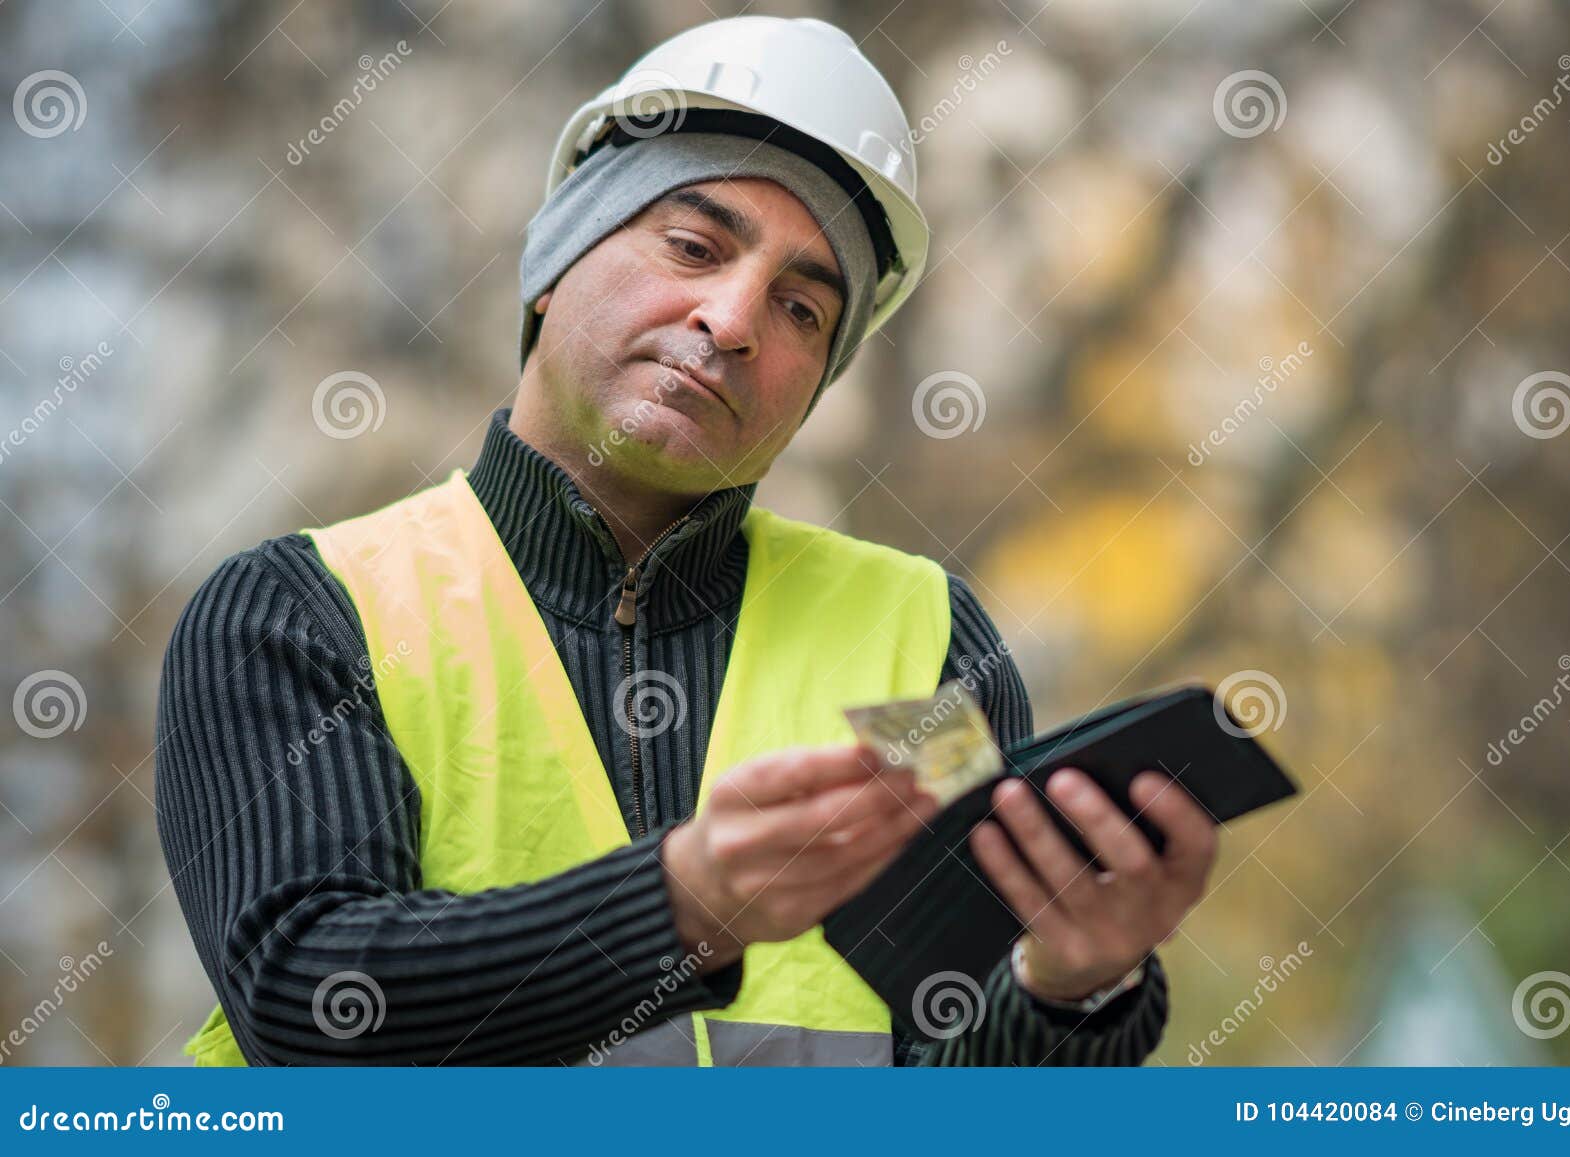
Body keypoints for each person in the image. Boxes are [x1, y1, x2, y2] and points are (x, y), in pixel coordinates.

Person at [156, 15, 1216, 1067]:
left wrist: (1067, 992)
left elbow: (953, 1079)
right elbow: (309, 1001)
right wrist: (681, 904)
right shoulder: (301, 614)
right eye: (695, 246)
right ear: (553, 262)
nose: (734, 319)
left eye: (802, 310)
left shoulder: (923, 637)